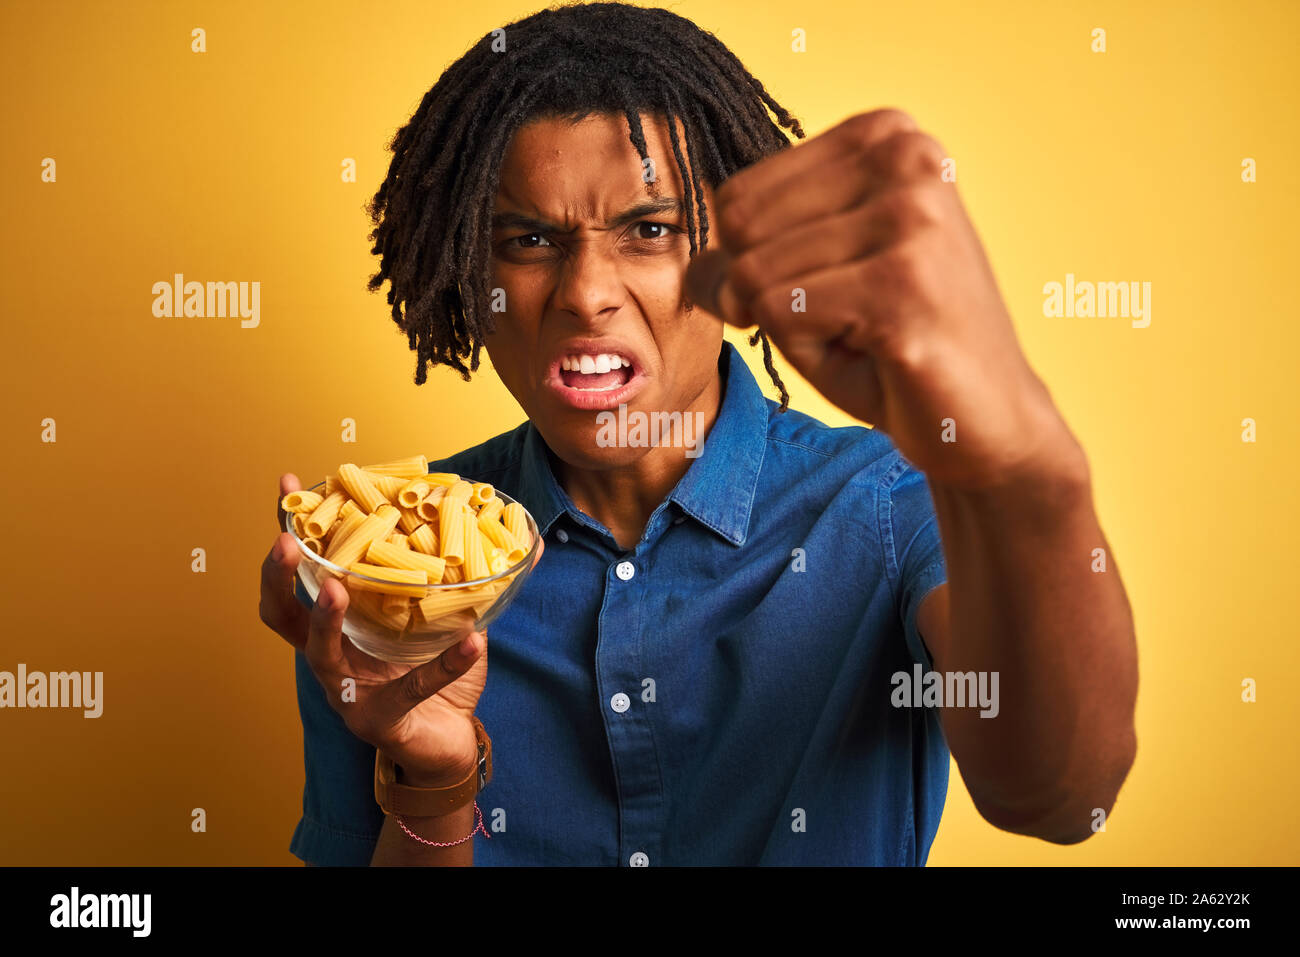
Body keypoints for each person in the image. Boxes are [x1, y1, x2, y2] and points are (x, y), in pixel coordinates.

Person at [259, 1, 1137, 866]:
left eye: (649, 230)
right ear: (465, 278)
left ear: (730, 264)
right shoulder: (372, 580)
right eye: (529, 239)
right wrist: (436, 781)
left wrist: (1024, 466)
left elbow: (1061, 795)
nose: (586, 293)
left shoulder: (889, 508)